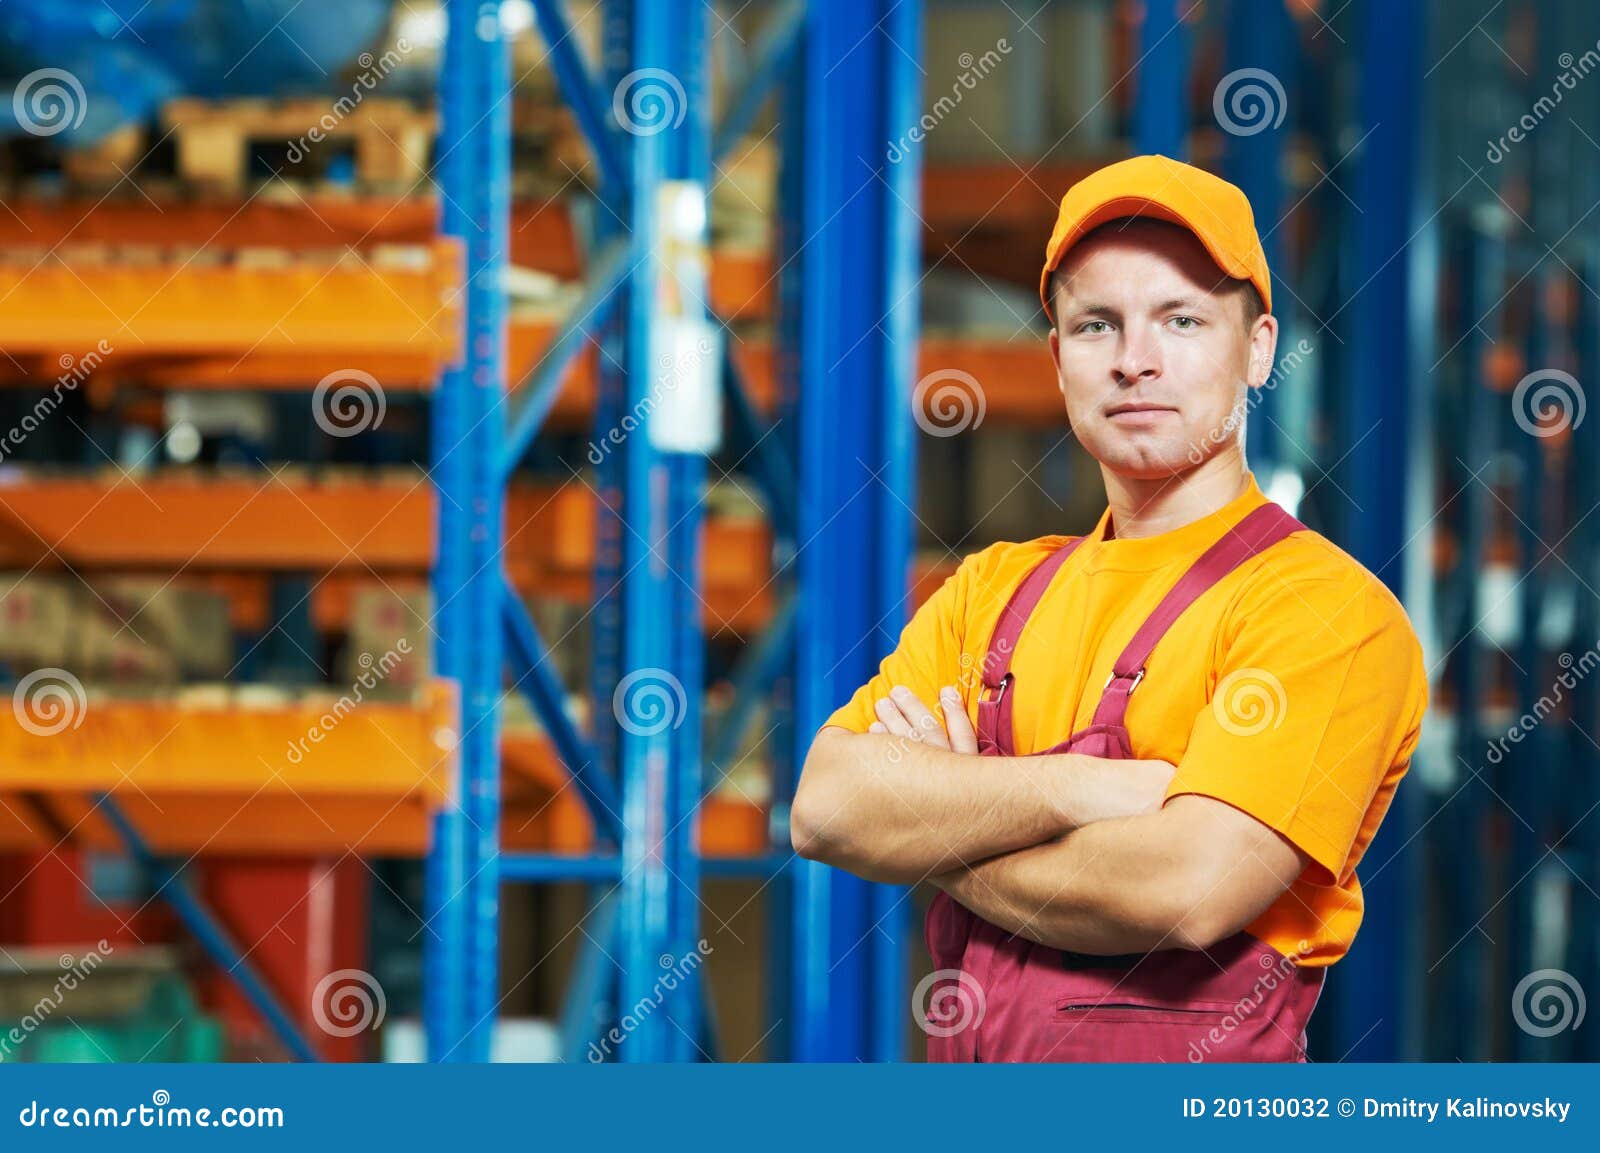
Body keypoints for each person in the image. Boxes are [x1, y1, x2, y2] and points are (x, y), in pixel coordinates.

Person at [790, 154, 1429, 1063]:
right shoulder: (989, 592)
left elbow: (1187, 887)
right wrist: (1079, 790)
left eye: (1182, 319)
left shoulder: (1322, 612)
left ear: (1258, 350)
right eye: (1097, 325)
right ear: (1058, 358)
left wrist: (942, 824)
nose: (1135, 360)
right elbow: (826, 806)